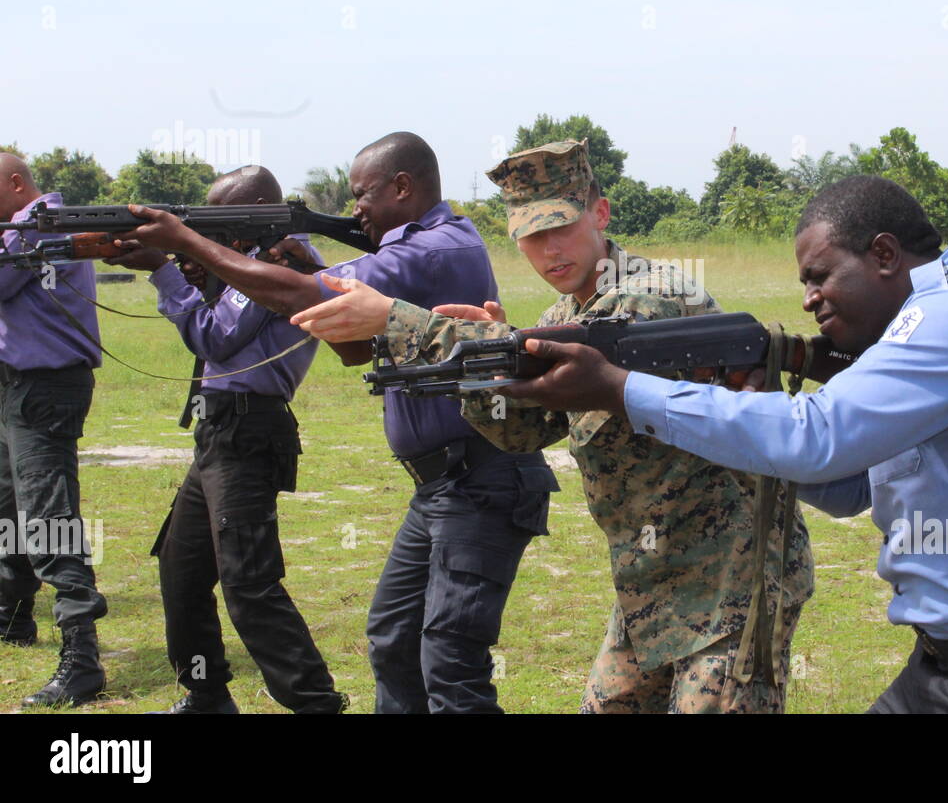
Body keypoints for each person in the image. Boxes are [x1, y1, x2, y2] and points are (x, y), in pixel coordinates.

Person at [478, 175, 948, 714]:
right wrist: (746, 402)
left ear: (885, 254)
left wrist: (621, 387)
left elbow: (818, 440)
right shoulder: (907, 332)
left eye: (820, 276)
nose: (808, 299)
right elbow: (846, 488)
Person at [292, 140, 815, 713]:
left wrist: (397, 319)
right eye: (529, 236)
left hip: (735, 572)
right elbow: (526, 432)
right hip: (651, 576)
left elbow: (595, 349)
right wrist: (486, 360)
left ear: (601, 215)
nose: (548, 251)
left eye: (559, 228)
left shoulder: (655, 293)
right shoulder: (559, 318)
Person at [118, 132, 557, 714]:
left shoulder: (431, 249)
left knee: (450, 664)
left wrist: (187, 243)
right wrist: (296, 268)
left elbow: (284, 303)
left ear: (403, 187)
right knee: (394, 642)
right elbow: (351, 347)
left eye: (363, 195)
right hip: (440, 484)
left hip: (478, 477)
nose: (355, 210)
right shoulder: (404, 251)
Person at [105, 166, 347, 714]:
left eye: (222, 221)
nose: (214, 237)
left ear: (259, 209)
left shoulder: (281, 260)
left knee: (248, 583)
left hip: (249, 430)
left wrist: (165, 272)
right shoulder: (246, 259)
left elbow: (214, 336)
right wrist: (192, 271)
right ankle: (207, 693)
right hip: (218, 432)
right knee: (181, 568)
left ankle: (316, 703)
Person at [0, 152, 109, 707]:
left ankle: (83, 657)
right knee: (10, 507)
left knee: (48, 519)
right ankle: (14, 615)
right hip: (17, 382)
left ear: (16, 184)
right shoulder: (23, 227)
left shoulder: (41, 226)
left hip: (45, 387)